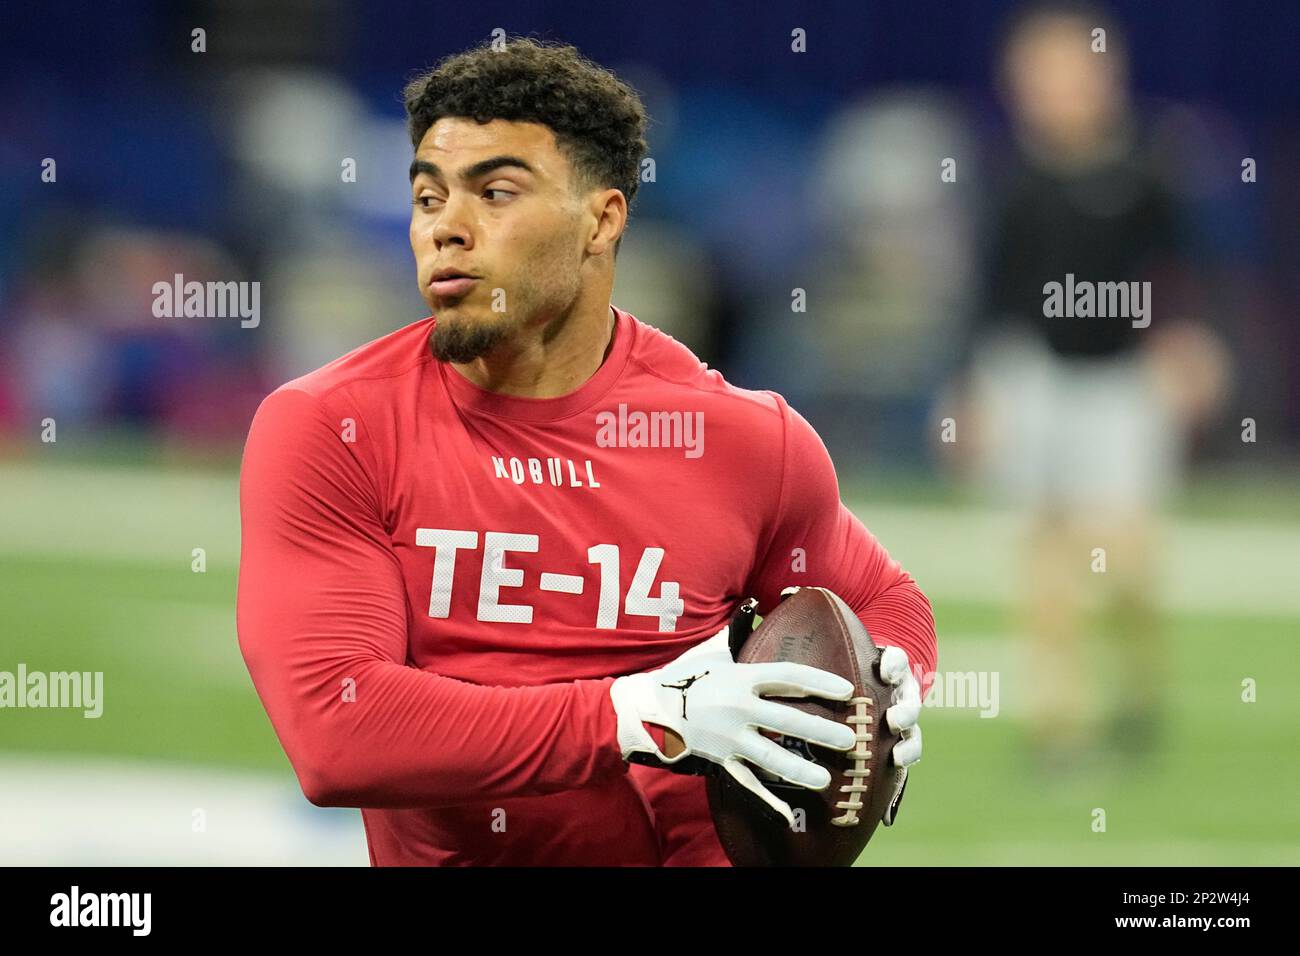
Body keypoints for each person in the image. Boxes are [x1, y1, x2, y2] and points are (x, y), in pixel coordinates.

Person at [236, 37, 937, 866]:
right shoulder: (335, 427)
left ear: (601, 220)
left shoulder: (742, 440)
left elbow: (884, 598)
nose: (445, 229)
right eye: (428, 196)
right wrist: (633, 716)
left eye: (495, 193)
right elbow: (338, 732)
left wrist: (891, 684)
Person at [953, 3, 1229, 773]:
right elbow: (988, 294)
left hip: (1120, 383)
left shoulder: (1148, 169)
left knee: (1123, 559)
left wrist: (1189, 342)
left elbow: (1190, 271)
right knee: (1046, 555)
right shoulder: (1011, 180)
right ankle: (1059, 728)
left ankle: (1138, 689)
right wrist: (974, 390)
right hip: (1035, 377)